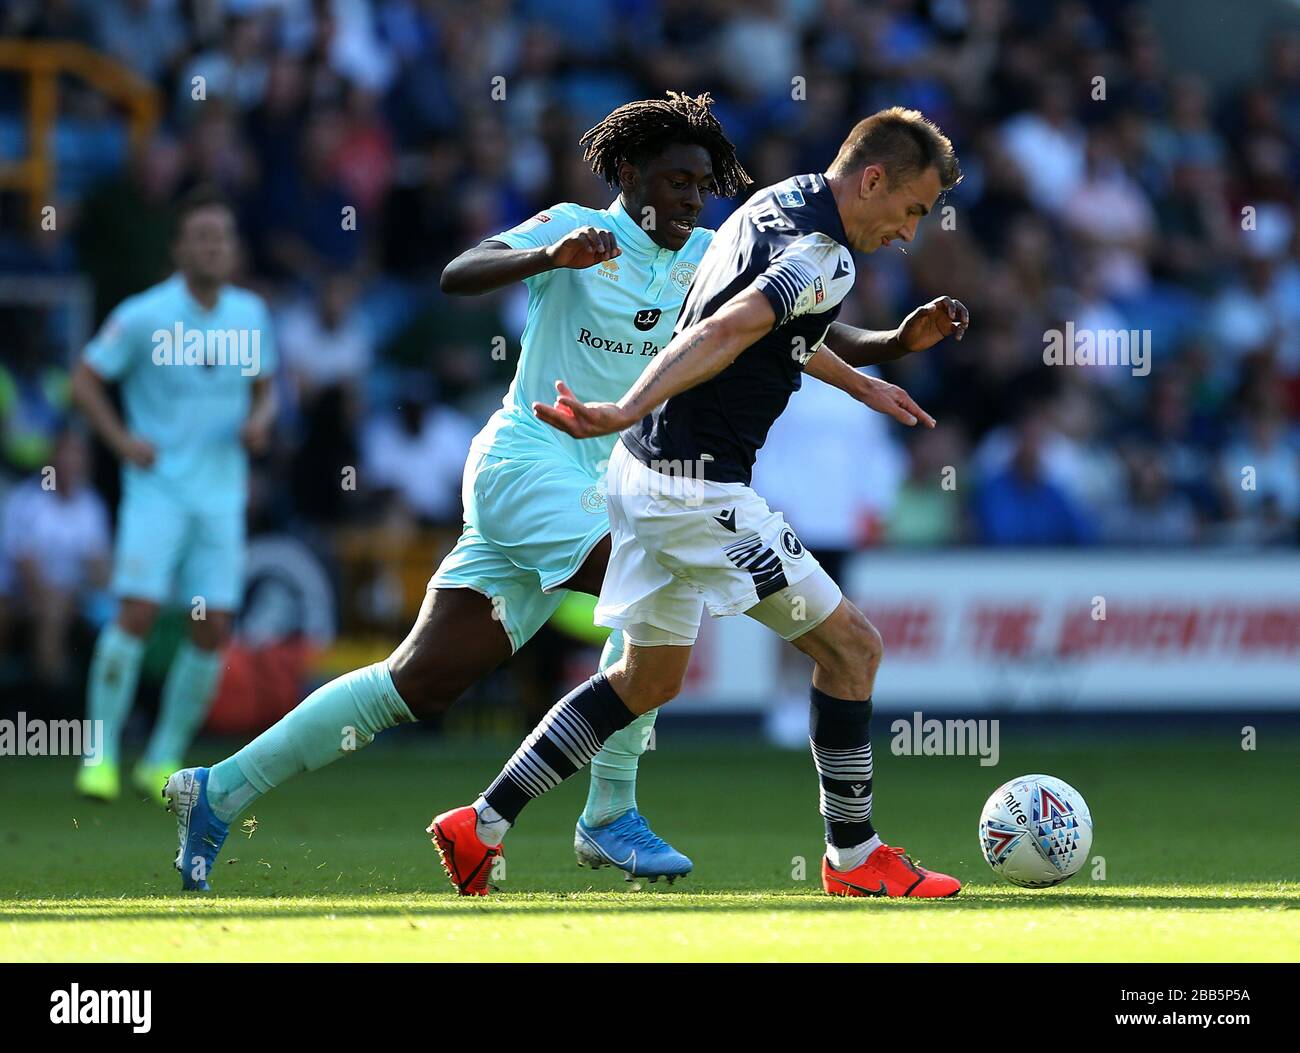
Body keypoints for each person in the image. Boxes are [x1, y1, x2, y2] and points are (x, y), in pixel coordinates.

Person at [164, 92, 751, 891]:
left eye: (702, 184)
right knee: (657, 573)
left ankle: (217, 788)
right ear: (627, 171)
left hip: (603, 484)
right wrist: (546, 259)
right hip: (529, 463)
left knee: (419, 681)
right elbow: (456, 273)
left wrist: (882, 348)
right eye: (677, 178)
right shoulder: (575, 228)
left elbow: (779, 322)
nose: (692, 196)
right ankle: (609, 811)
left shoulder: (711, 255)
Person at [431, 106, 972, 898]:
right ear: (874, 179)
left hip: (641, 472)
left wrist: (873, 369)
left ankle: (479, 823)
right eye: (912, 209)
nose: (910, 231)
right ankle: (854, 858)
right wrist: (621, 405)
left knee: (647, 680)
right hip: (697, 489)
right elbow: (727, 328)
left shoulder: (775, 202)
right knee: (853, 650)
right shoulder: (825, 255)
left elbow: (776, 329)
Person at [71, 185, 277, 803]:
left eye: (222, 237)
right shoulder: (143, 314)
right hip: (156, 489)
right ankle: (98, 756)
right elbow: (84, 378)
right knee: (135, 611)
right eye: (202, 237)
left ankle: (162, 757)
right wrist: (120, 439)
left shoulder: (251, 314)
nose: (214, 248)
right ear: (179, 247)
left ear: (233, 249)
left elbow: (266, 387)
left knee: (212, 625)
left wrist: (261, 421)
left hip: (220, 493)